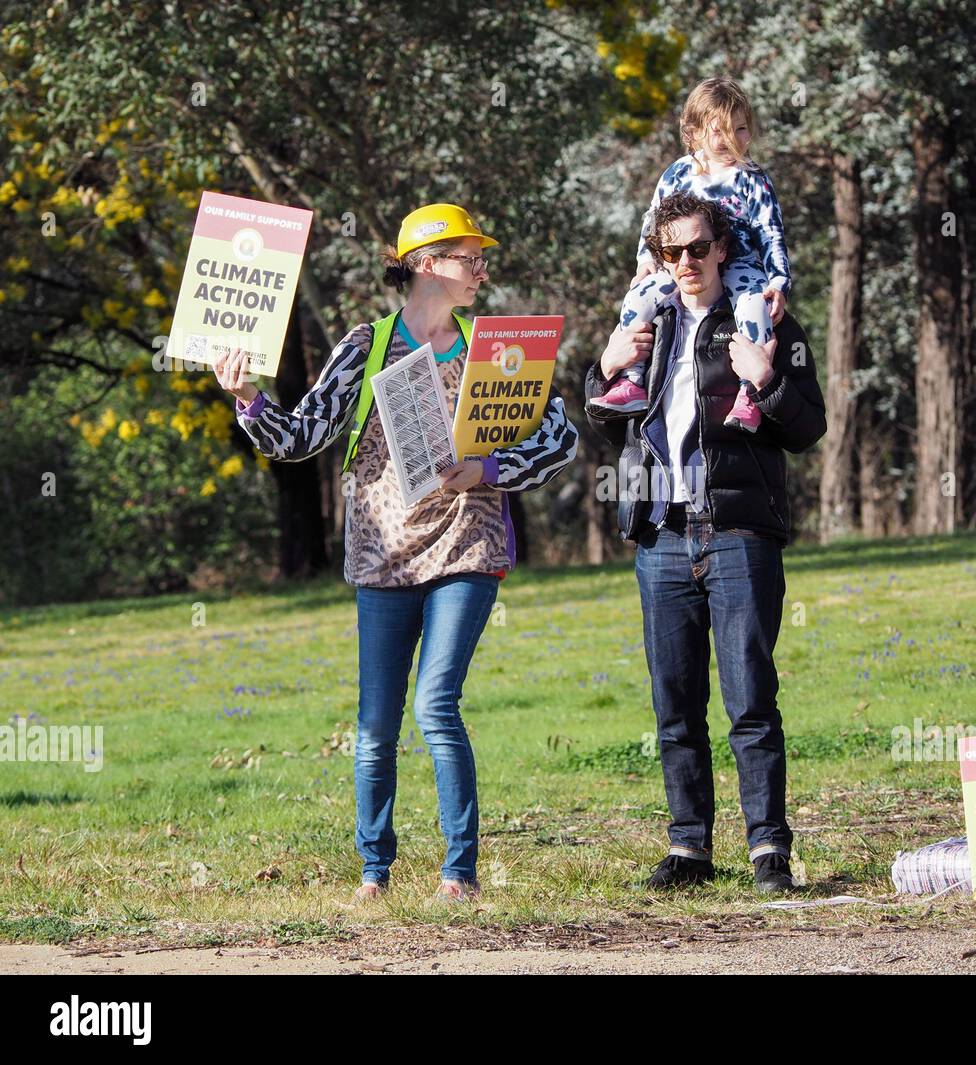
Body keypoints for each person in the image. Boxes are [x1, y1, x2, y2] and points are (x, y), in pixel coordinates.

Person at [213, 203, 578, 901]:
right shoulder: (367, 344)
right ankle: (373, 872)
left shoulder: (497, 345)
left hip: (467, 544)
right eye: (470, 256)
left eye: (480, 256)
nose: (482, 268)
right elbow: (300, 437)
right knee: (376, 722)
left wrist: (488, 470)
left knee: (436, 702)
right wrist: (249, 397)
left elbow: (559, 439)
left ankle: (458, 874)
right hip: (383, 553)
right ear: (425, 264)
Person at [584, 191, 826, 893]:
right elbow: (608, 420)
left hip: (738, 530)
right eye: (671, 252)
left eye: (697, 248)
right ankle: (689, 848)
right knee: (674, 700)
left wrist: (768, 380)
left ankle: (768, 849)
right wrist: (603, 368)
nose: (685, 263)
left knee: (750, 697)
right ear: (658, 257)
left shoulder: (764, 318)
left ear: (722, 247)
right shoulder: (647, 323)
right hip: (660, 531)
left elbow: (808, 426)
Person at [589, 76, 791, 434]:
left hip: (740, 263)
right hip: (679, 261)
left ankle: (748, 392)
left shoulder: (752, 178)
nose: (732, 140)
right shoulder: (678, 173)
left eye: (741, 129)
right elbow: (654, 218)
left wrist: (778, 281)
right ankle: (631, 378)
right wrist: (645, 261)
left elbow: (770, 230)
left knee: (753, 306)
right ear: (694, 133)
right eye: (719, 132)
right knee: (640, 296)